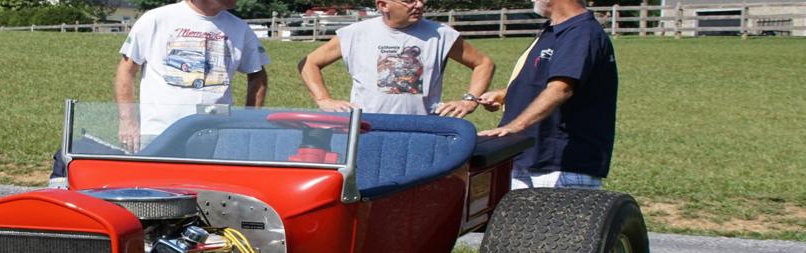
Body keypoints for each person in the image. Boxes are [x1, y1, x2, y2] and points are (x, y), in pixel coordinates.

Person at [477, 0, 617, 189]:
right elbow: (543, 81)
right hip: (529, 159)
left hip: (559, 166)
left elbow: (562, 88)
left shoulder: (582, 33)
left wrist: (514, 127)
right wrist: (506, 94)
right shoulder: (553, 31)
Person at [116, 0, 271, 151]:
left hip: (216, 136)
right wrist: (127, 120)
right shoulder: (156, 19)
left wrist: (249, 120)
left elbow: (257, 75)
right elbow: (126, 70)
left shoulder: (240, 28)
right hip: (159, 132)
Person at [299, 0, 494, 118]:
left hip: (423, 128)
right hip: (368, 128)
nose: (419, 4)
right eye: (409, 1)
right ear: (383, 5)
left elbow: (483, 63)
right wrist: (324, 99)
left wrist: (469, 101)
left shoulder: (441, 34)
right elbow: (309, 63)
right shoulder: (355, 34)